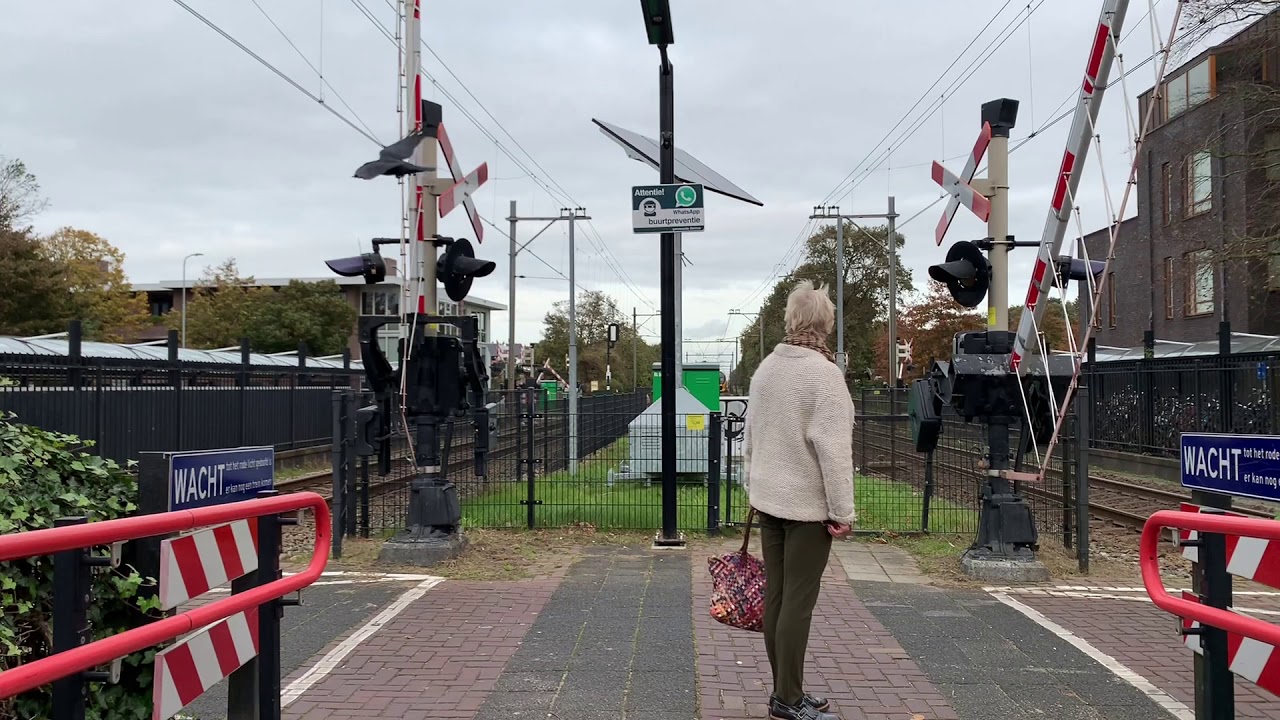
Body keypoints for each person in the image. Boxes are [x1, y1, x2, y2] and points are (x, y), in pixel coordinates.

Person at [743, 280, 856, 720]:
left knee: (777, 596)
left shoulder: (766, 369)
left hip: (767, 499)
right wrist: (842, 512)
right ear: (825, 323)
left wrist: (752, 486)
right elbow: (833, 450)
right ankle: (788, 700)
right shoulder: (824, 375)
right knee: (798, 603)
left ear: (790, 319)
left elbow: (751, 437)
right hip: (807, 508)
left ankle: (785, 692)